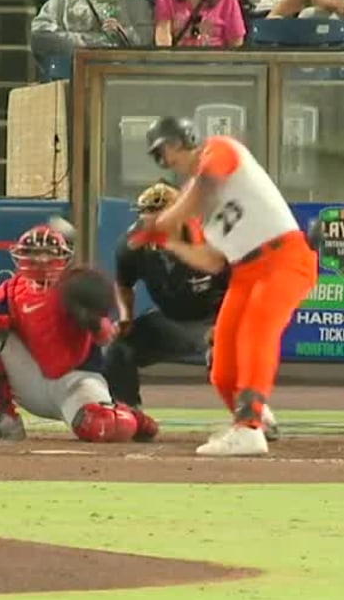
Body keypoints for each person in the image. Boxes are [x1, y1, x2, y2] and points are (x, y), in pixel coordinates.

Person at [139, 115, 318, 456]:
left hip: (283, 257)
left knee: (257, 331)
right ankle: (255, 417)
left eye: (165, 150)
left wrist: (162, 223)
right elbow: (212, 260)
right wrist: (169, 242)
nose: (166, 159)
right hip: (245, 270)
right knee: (222, 365)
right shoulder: (195, 210)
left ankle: (248, 428)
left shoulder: (219, 150)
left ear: (182, 140)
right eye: (161, 153)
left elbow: (206, 186)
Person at [106, 182, 284, 438]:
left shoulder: (211, 242)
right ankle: (129, 414)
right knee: (118, 347)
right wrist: (125, 318)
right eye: (147, 219)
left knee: (227, 358)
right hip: (169, 321)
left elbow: (242, 286)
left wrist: (221, 327)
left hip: (216, 317)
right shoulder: (132, 245)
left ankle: (256, 414)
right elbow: (124, 285)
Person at [0, 221, 158, 444]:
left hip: (76, 380)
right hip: (31, 378)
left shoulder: (77, 286)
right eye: (34, 253)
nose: (41, 260)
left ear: (62, 256)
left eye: (47, 253)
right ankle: (4, 420)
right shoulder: (5, 293)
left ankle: (129, 415)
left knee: (108, 428)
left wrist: (91, 320)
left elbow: (104, 337)